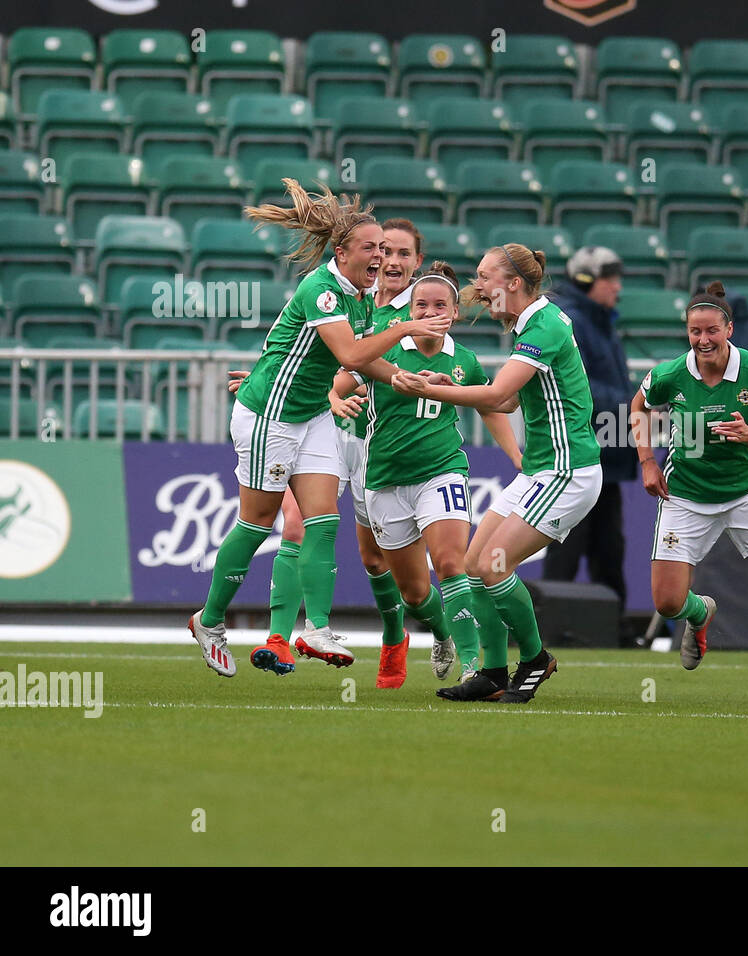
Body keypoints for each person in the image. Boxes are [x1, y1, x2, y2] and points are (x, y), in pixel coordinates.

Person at [188, 178, 443, 677]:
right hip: (270, 417)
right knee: (258, 521)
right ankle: (211, 618)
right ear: (342, 251)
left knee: (321, 519)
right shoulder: (321, 290)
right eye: (371, 248)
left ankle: (317, 628)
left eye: (386, 249)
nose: (380, 257)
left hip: (313, 416)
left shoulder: (361, 295)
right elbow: (349, 353)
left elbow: (365, 362)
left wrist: (401, 377)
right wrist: (407, 328)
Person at [391, 244, 602, 703]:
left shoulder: (543, 325)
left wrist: (431, 389)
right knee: (471, 566)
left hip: (568, 471)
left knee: (493, 565)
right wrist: (455, 385)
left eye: (485, 277)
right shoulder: (530, 323)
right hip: (543, 470)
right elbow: (506, 400)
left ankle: (534, 658)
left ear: (513, 283)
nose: (477, 287)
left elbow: (499, 394)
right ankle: (491, 672)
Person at [243, 219, 435, 680]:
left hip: (381, 449)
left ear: (417, 264)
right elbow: (324, 364)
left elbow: (437, 373)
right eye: (382, 250)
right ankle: (281, 637)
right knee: (296, 527)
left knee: (375, 559)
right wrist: (310, 395)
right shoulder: (349, 296)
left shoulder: (425, 313)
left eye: (401, 253)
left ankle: (396, 637)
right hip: (327, 431)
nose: (390, 260)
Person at [332, 265, 523, 689]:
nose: (431, 312)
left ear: (454, 312)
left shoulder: (464, 361)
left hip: (442, 471)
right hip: (385, 480)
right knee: (415, 594)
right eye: (422, 305)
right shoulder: (386, 349)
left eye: (440, 305)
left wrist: (515, 452)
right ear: (409, 312)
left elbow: (493, 403)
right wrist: (334, 397)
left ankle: (476, 669)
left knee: (452, 563)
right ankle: (441, 634)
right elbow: (344, 375)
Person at [630, 281, 748, 693]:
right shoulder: (671, 374)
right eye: (695, 332)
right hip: (685, 494)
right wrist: (648, 461)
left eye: (711, 331)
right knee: (668, 603)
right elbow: (637, 408)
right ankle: (700, 613)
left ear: (729, 330)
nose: (703, 340)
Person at [541, 246, 637, 618]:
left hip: (605, 453)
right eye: (610, 279)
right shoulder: (574, 320)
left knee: (608, 547)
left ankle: (611, 627)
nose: (617, 287)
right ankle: (546, 627)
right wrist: (634, 405)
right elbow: (577, 384)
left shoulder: (601, 321)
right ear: (586, 279)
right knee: (568, 543)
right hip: (578, 453)